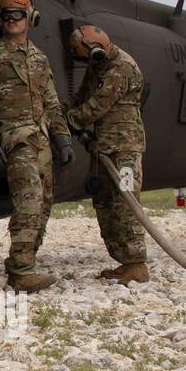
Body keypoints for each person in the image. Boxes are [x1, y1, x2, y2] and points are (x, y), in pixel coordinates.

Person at [0, 0, 75, 292]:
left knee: (43, 205)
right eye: (6, 16)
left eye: (18, 15)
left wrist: (63, 140)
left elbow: (52, 104)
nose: (12, 20)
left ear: (30, 19)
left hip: (42, 141)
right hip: (16, 141)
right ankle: (21, 270)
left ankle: (25, 261)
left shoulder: (40, 59)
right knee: (29, 200)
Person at [65, 24, 149, 284]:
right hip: (104, 147)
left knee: (125, 202)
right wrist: (59, 108)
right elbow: (82, 96)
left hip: (124, 147)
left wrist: (69, 121)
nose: (85, 61)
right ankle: (122, 260)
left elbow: (98, 104)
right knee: (105, 202)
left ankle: (136, 264)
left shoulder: (121, 67)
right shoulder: (97, 65)